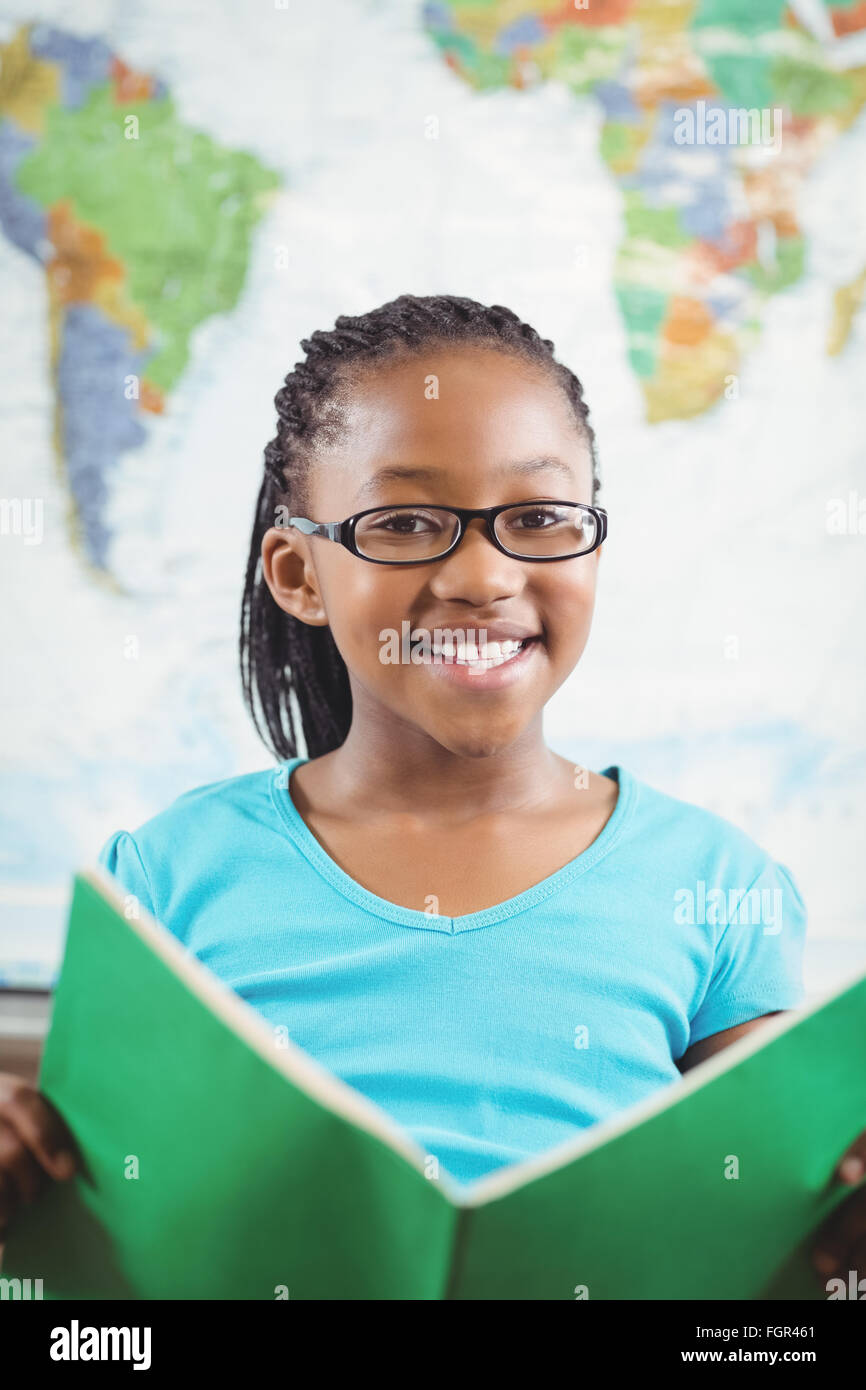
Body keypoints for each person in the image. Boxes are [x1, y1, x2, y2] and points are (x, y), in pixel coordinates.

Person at [1, 294, 862, 1285]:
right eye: (405, 521)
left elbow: (767, 1215)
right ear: (298, 573)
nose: (483, 575)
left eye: (538, 518)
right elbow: (91, 1222)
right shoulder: (160, 882)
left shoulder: (715, 884)